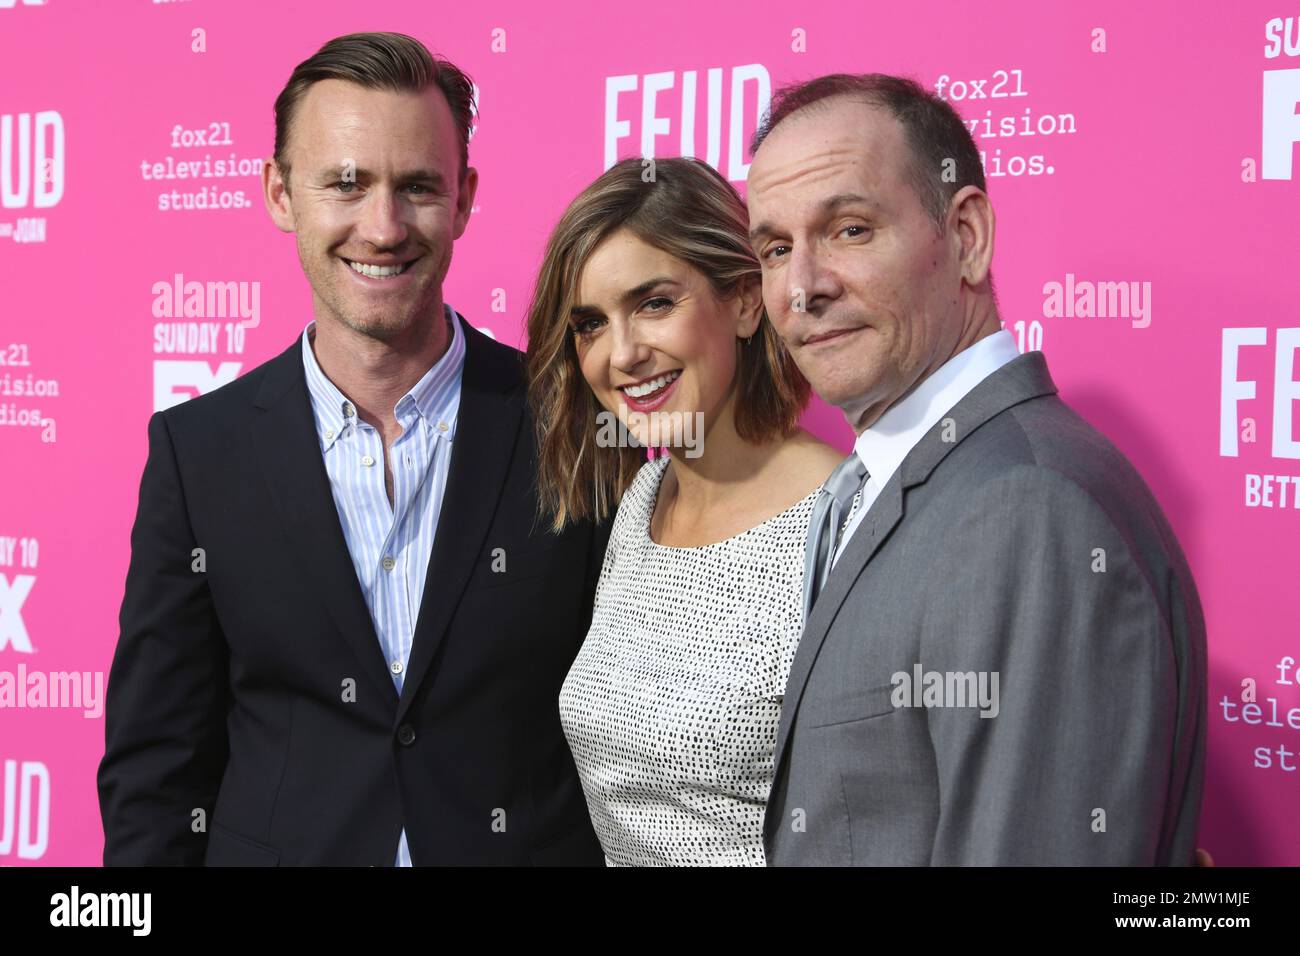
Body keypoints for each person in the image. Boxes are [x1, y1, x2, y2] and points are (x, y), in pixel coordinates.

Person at [98, 32, 607, 866]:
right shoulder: (199, 453)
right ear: (278, 192)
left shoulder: (576, 423)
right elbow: (158, 762)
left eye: (417, 187)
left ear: (464, 198)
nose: (384, 227)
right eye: (346, 183)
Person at [746, 73, 1207, 865]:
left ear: (966, 237)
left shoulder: (1028, 510)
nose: (801, 288)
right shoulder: (894, 479)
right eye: (776, 248)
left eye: (850, 229)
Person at [525, 157, 843, 865]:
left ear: (744, 301)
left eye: (654, 303)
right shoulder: (641, 500)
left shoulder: (844, 524)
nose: (623, 354)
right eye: (589, 325)